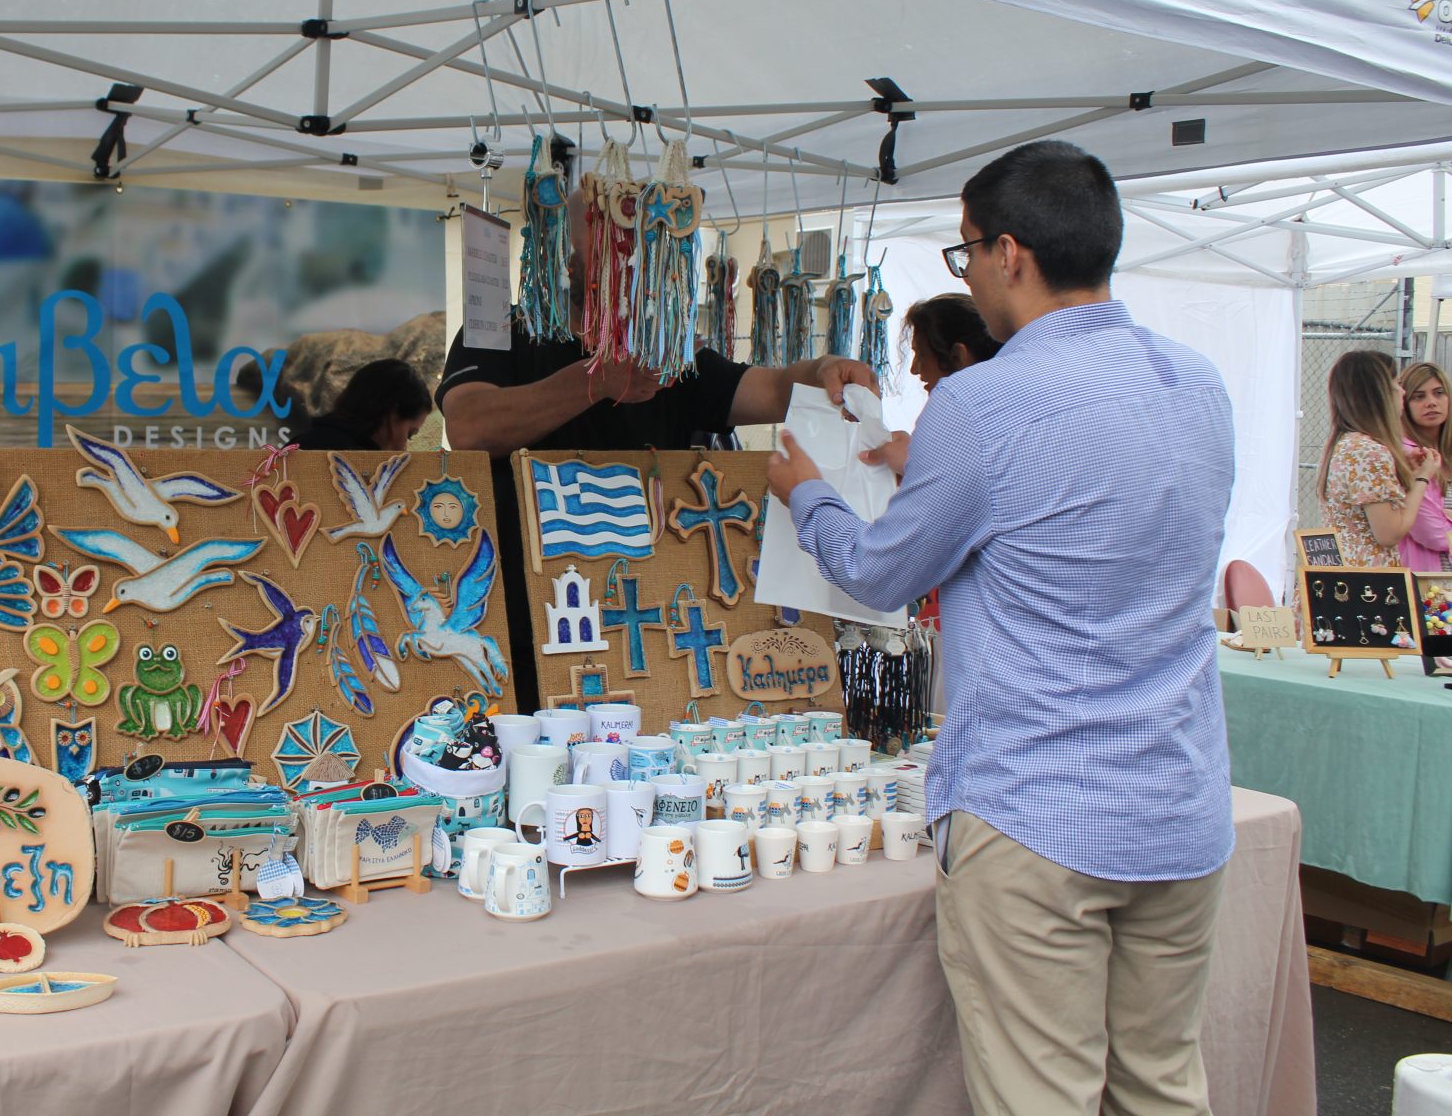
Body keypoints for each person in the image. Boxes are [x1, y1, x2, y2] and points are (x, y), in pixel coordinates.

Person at [767, 139, 1235, 1115]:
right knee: (1163, 1088)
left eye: (965, 251)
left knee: (1042, 1097)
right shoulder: (1198, 382)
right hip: (1181, 797)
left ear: (1010, 252)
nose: (968, 272)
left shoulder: (980, 404)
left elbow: (879, 570)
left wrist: (810, 494)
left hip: (1037, 812)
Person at [437, 142, 874, 707]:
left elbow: (764, 390)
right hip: (526, 604)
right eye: (605, 247)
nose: (625, 265)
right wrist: (596, 380)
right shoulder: (503, 329)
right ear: (559, 256)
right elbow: (469, 426)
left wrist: (822, 370)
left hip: (645, 610)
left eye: (633, 251)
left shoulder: (663, 348)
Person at [1318, 351, 1439, 568]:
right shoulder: (1369, 451)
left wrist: (1402, 476)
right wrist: (1421, 479)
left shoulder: (1346, 443)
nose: (1402, 391)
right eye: (1395, 383)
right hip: (1367, 584)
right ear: (1379, 393)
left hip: (1344, 574)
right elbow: (1389, 532)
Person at [865, 293, 1002, 480]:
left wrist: (919, 466)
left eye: (921, 355)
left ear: (957, 357)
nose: (914, 369)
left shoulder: (975, 433)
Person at [292, 358, 432, 451]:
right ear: (392, 414)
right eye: (409, 434)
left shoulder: (300, 445)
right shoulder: (364, 465)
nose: (404, 449)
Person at [1398, 360, 1452, 571]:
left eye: (1438, 393)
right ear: (1404, 403)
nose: (1431, 402)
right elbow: (1432, 533)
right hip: (1430, 583)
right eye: (1419, 397)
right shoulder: (1408, 455)